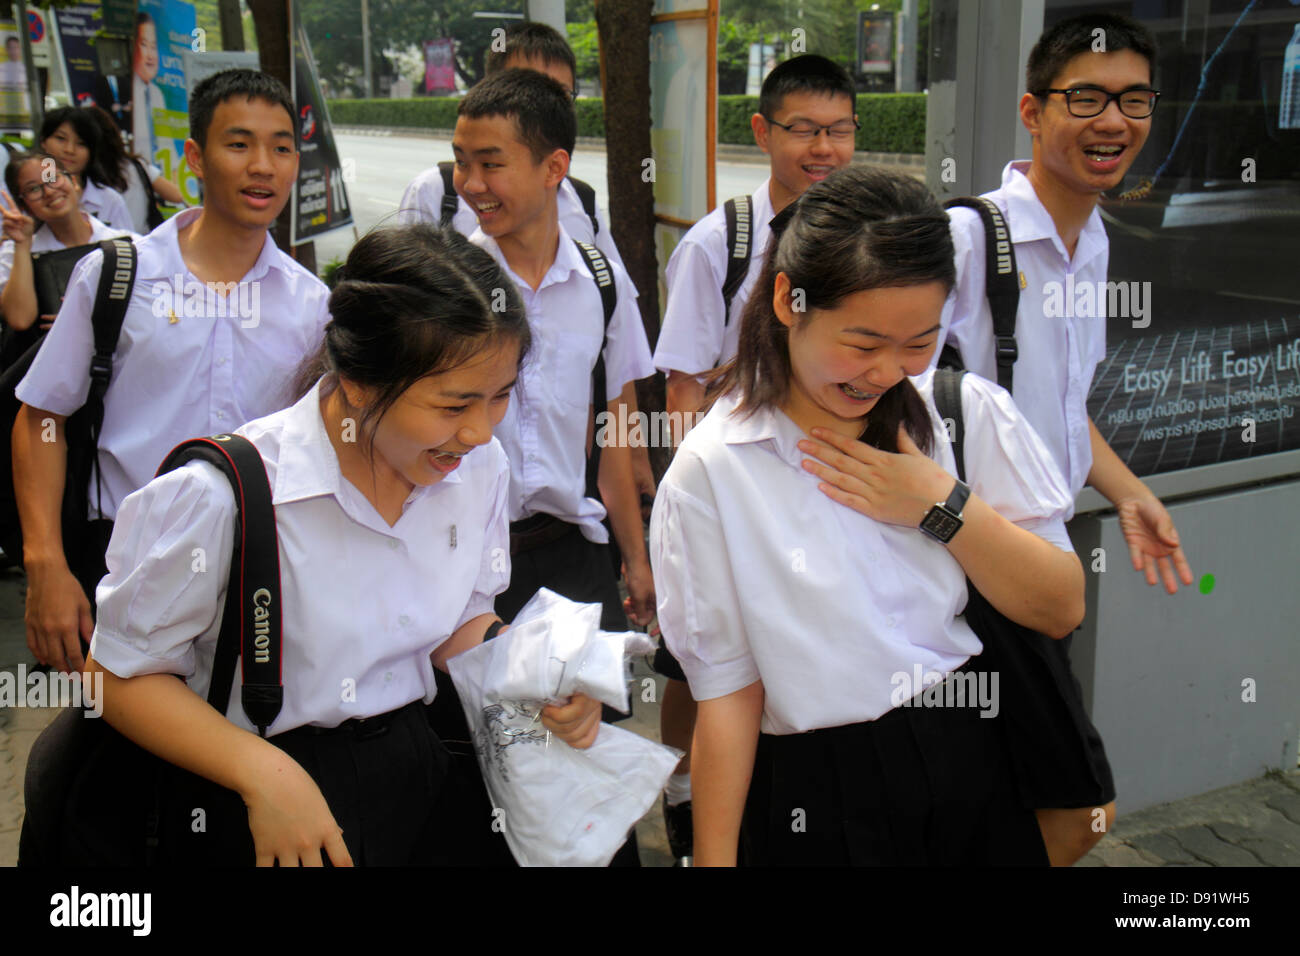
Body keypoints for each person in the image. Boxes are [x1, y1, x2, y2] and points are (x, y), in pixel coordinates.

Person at [68, 223, 605, 866]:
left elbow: (457, 618)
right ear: (357, 381)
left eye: (500, 398)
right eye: (453, 404)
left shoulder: (473, 472)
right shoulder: (225, 497)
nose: (480, 432)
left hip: (413, 775)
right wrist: (262, 774)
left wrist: (530, 668)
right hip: (254, 790)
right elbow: (117, 676)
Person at [649, 166, 1086, 866]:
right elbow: (726, 697)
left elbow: (1062, 604)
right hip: (817, 793)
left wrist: (937, 505)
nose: (888, 371)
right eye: (863, 342)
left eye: (919, 341)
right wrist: (714, 859)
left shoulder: (957, 413)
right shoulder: (714, 470)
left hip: (969, 752)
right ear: (790, 301)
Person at [933, 12, 1194, 866]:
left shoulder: (1096, 245)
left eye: (1133, 99)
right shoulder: (968, 239)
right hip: (970, 570)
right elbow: (881, 395)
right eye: (1085, 97)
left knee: (998, 797)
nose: (1113, 121)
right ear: (1031, 110)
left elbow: (1057, 403)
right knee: (1078, 812)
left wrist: (1129, 492)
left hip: (1046, 565)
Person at [13, 69, 331, 676]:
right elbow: (42, 417)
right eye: (238, 144)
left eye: (282, 147)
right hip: (119, 563)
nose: (263, 165)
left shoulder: (311, 306)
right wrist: (45, 564)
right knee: (104, 746)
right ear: (196, 157)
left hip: (252, 571)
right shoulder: (117, 277)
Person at [434, 68, 655, 865]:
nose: (471, 183)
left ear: (553, 167)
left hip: (573, 566)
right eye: (462, 161)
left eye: (490, 163)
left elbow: (616, 426)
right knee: (485, 779)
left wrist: (635, 559)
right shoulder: (443, 280)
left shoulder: (599, 279)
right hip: (462, 576)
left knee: (588, 776)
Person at [648, 53, 859, 861]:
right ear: (763, 131)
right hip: (730, 493)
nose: (822, 148)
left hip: (825, 490)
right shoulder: (720, 244)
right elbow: (681, 392)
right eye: (803, 129)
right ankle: (684, 792)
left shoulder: (858, 239)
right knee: (699, 660)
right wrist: (686, 516)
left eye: (838, 130)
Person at [397, 21, 655, 508]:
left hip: (566, 496)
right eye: (526, 87)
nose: (543, 103)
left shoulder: (581, 205)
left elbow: (609, 362)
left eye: (560, 94)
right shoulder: (439, 196)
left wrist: (632, 455)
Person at [0, 150, 137, 337]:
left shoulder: (127, 244)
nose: (48, 191)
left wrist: (85, 319)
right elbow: (19, 319)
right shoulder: (16, 252)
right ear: (23, 206)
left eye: (53, 178)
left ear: (74, 181)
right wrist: (22, 245)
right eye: (33, 189)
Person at [84, 104, 186, 233]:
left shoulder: (83, 177)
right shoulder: (137, 166)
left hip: (107, 247)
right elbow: (176, 195)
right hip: (143, 243)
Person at [38, 107, 133, 234]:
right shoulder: (24, 192)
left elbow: (128, 247)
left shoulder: (109, 201)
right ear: (43, 141)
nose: (69, 150)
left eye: (81, 143)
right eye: (61, 138)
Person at [131, 13, 166, 162]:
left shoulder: (157, 94)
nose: (150, 55)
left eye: (154, 47)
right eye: (144, 45)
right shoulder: (128, 91)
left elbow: (167, 145)